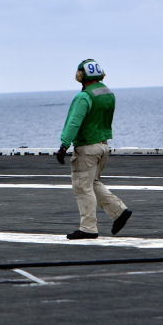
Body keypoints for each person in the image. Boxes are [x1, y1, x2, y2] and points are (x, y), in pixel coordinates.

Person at [55, 59, 132, 239]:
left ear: (81, 75)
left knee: (82, 186)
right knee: (93, 183)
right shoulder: (107, 94)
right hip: (103, 146)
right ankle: (119, 211)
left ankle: (88, 228)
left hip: (87, 148)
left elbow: (74, 122)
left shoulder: (84, 97)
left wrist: (64, 145)